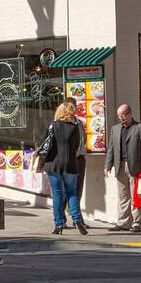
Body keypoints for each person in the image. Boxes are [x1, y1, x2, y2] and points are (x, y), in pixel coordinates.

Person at [106, 103, 141, 232]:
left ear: (130, 114)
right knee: (123, 196)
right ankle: (122, 222)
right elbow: (111, 148)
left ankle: (136, 223)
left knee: (135, 196)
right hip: (119, 166)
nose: (121, 118)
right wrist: (107, 165)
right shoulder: (115, 129)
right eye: (119, 116)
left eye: (124, 115)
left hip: (135, 167)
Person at [44, 101, 87, 235]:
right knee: (72, 193)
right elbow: (76, 146)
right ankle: (77, 219)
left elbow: (45, 144)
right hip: (70, 164)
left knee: (57, 194)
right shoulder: (74, 128)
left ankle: (59, 224)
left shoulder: (53, 126)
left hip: (54, 164)